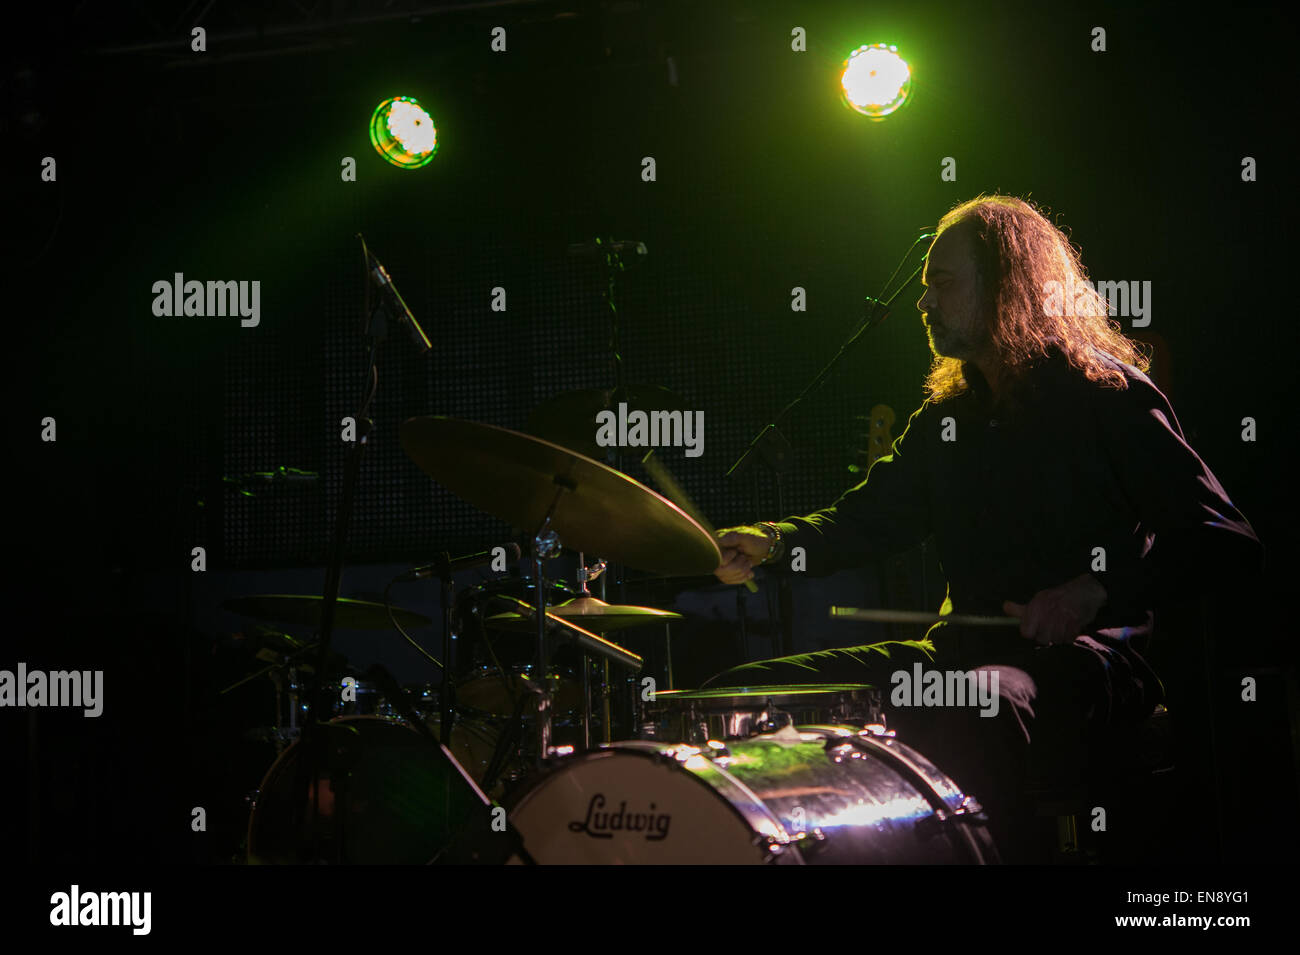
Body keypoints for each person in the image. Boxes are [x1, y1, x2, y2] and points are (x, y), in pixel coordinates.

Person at [712, 195, 1262, 863]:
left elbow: (1223, 537)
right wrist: (775, 542)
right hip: (957, 655)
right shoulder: (951, 419)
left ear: (1006, 283)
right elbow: (863, 521)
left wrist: (1092, 593)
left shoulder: (1108, 397)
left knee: (978, 704)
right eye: (925, 286)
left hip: (1088, 662)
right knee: (744, 695)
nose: (923, 303)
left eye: (941, 283)